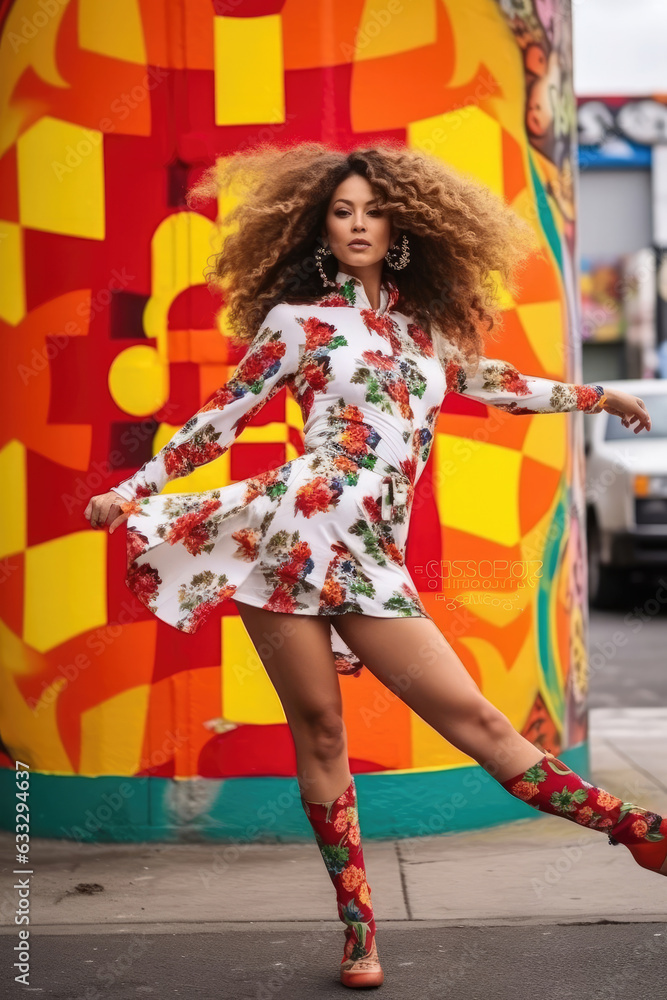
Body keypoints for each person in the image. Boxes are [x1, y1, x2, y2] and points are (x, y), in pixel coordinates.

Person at [85, 142, 661, 990]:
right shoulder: (296, 324)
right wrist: (131, 490)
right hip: (287, 542)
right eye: (341, 212)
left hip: (370, 561)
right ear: (321, 228)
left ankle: (632, 827)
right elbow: (219, 421)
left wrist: (595, 395)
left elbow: (493, 382)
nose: (356, 224)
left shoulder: (422, 331)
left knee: (476, 720)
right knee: (319, 733)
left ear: (402, 226)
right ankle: (358, 931)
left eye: (371, 211)